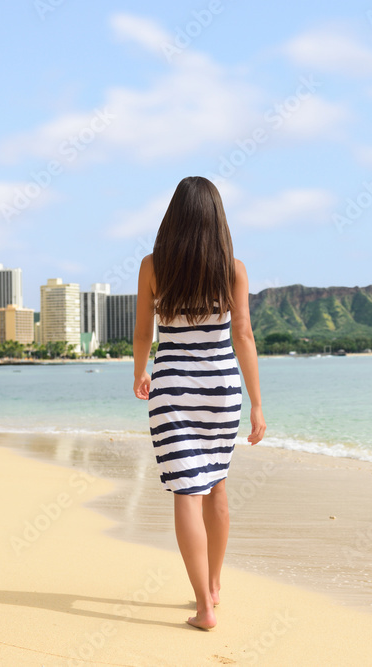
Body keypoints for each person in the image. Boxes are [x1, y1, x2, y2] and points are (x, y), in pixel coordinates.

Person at [132, 176, 266, 630]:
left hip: (172, 388)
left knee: (188, 492)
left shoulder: (153, 266)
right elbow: (243, 335)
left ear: (173, 218)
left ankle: (203, 608)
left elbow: (142, 334)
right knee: (217, 486)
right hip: (221, 389)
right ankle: (213, 586)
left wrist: (139, 372)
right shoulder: (233, 269)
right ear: (216, 219)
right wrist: (257, 403)